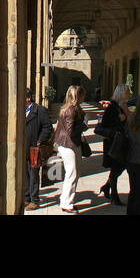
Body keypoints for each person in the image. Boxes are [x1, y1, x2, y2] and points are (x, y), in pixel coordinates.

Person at [52, 85, 87, 213]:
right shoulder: (71, 110)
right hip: (69, 144)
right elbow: (71, 131)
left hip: (68, 144)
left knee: (73, 173)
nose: (85, 97)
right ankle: (67, 203)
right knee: (72, 173)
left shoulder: (70, 109)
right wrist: (84, 125)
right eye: (83, 95)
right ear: (79, 96)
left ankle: (66, 199)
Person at [94, 85, 129, 206]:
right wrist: (120, 119)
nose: (129, 94)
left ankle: (107, 187)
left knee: (118, 167)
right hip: (113, 143)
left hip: (120, 142)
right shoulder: (112, 107)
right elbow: (105, 124)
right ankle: (114, 196)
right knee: (117, 168)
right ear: (121, 94)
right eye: (127, 92)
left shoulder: (120, 106)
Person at [24, 88, 54, 211]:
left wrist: (40, 140)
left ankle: (34, 200)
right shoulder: (21, 110)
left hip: (34, 148)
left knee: (34, 174)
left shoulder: (39, 110)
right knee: (25, 173)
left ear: (28, 98)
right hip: (24, 148)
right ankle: (26, 197)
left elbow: (48, 127)